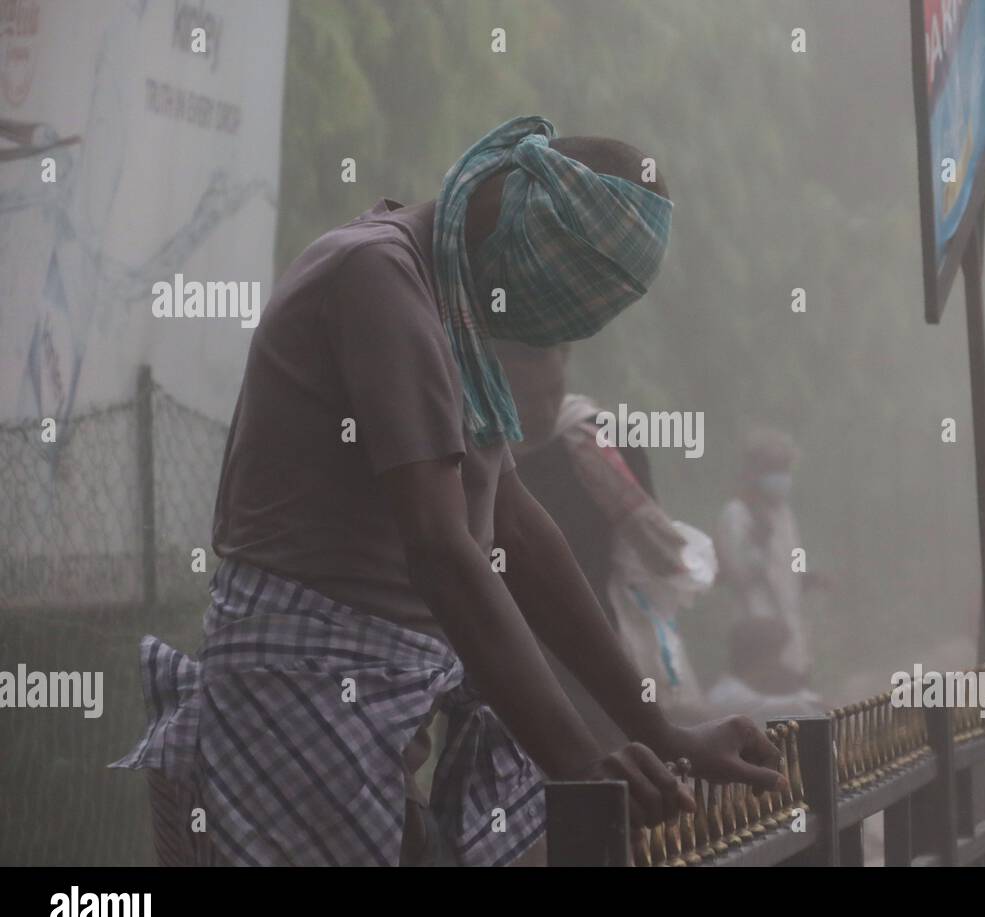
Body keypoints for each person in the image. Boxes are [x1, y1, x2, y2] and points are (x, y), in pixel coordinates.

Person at [113, 117, 782, 867]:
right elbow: (441, 546)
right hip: (301, 700)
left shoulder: (453, 313)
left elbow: (516, 532)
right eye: (555, 294)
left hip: (376, 709)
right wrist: (578, 764)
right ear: (515, 211)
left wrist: (657, 733)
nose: (543, 331)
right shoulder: (377, 277)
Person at [495, 342, 705, 751]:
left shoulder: (601, 440)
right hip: (506, 643)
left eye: (551, 393)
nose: (541, 411)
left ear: (566, 357)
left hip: (590, 632)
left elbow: (651, 549)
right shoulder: (480, 451)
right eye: (524, 399)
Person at [715, 426, 814, 678]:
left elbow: (792, 566)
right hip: (755, 628)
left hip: (788, 626)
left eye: (784, 469)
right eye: (773, 469)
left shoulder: (784, 514)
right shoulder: (736, 514)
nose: (781, 477)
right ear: (754, 472)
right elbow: (737, 575)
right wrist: (759, 543)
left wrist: (807, 578)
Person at [707, 617, 824, 722]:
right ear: (758, 655)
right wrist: (817, 705)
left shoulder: (767, 687)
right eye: (775, 654)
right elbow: (792, 707)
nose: (779, 663)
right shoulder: (727, 696)